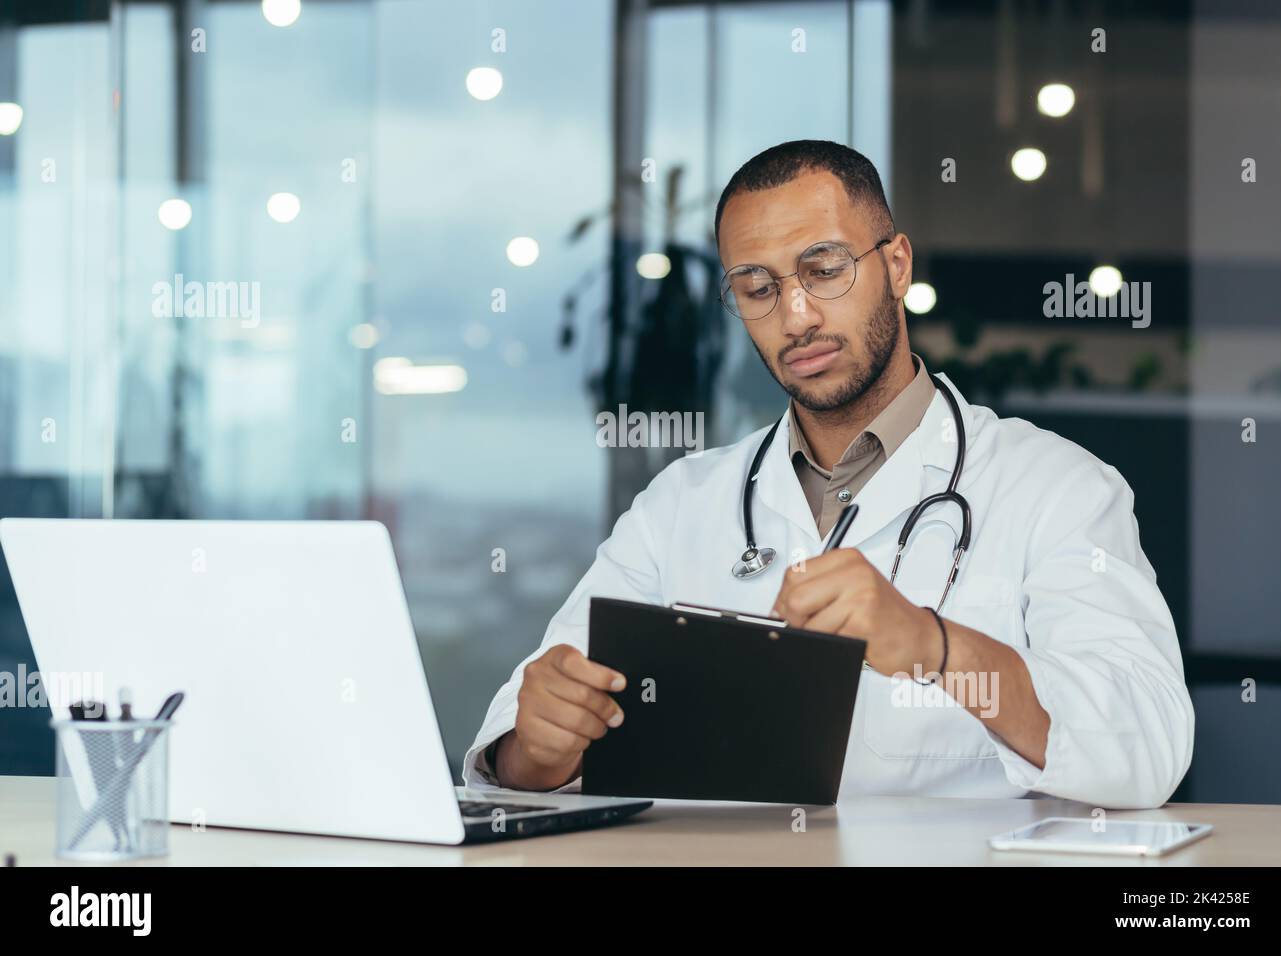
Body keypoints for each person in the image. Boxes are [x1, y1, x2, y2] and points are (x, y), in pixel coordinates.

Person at [464, 139, 1194, 809]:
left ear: (897, 264)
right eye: (756, 287)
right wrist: (540, 746)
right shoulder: (680, 505)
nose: (797, 313)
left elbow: (1150, 742)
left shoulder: (1056, 487)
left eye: (824, 269)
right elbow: (524, 755)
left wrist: (936, 647)